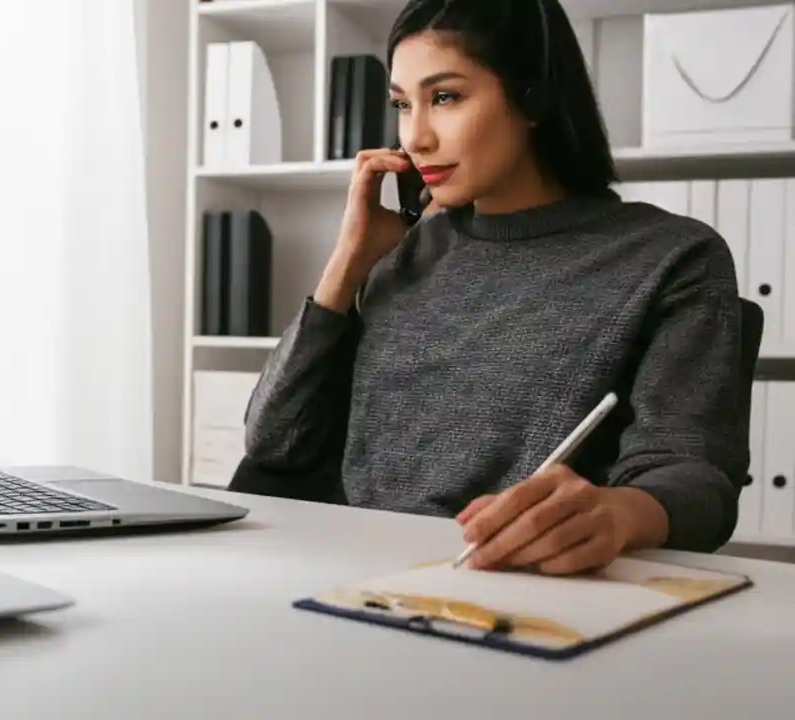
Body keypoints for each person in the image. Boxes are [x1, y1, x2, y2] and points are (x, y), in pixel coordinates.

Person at [242, 0, 747, 574]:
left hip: (510, 585)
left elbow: (695, 473)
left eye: (445, 97)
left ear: (533, 97)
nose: (416, 137)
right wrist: (347, 263)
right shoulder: (402, 255)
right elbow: (272, 447)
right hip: (345, 573)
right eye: (402, 104)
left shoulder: (671, 256)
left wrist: (620, 514)